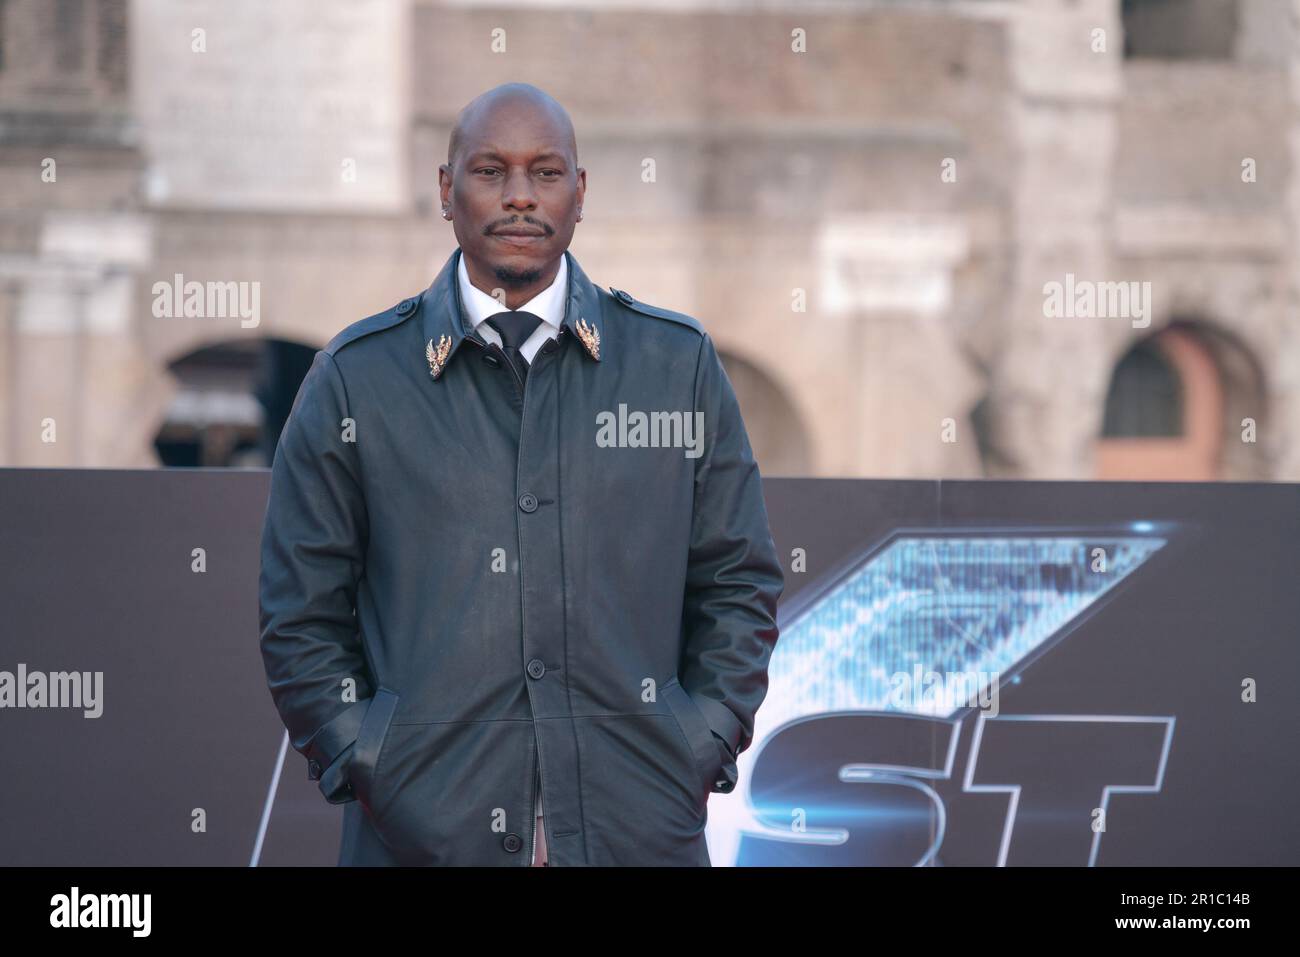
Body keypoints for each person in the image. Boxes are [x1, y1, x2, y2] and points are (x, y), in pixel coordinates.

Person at [258, 82, 784, 866]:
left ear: (580, 194)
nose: (518, 198)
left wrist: (692, 746)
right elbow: (301, 615)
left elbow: (738, 583)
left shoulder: (677, 368)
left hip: (638, 836)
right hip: (419, 844)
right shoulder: (356, 380)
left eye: (544, 173)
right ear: (445, 190)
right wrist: (374, 760)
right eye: (489, 171)